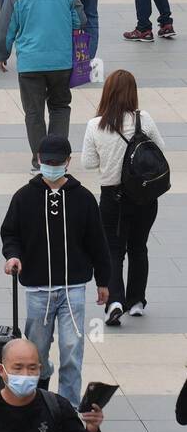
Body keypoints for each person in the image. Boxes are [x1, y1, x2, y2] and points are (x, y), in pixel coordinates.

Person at [1, 133, 111, 410]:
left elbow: (98, 241)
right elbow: (10, 233)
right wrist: (12, 256)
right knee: (36, 350)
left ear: (68, 162)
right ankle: (39, 392)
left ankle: (67, 405)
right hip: (37, 288)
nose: (51, 166)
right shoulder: (24, 197)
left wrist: (103, 281)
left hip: (73, 287)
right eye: (47, 161)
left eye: (57, 162)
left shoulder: (83, 198)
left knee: (72, 348)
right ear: (39, 160)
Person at [82, 69, 166, 326]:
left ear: (107, 92)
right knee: (138, 247)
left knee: (112, 250)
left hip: (112, 197)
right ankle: (137, 301)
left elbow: (87, 162)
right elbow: (159, 150)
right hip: (144, 195)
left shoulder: (95, 125)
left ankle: (114, 302)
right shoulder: (145, 119)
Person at [0, 0, 87, 171]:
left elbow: (5, 29)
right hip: (61, 62)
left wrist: (1, 55)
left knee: (34, 112)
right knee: (60, 107)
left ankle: (40, 160)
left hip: (30, 65)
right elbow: (80, 22)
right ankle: (57, 158)